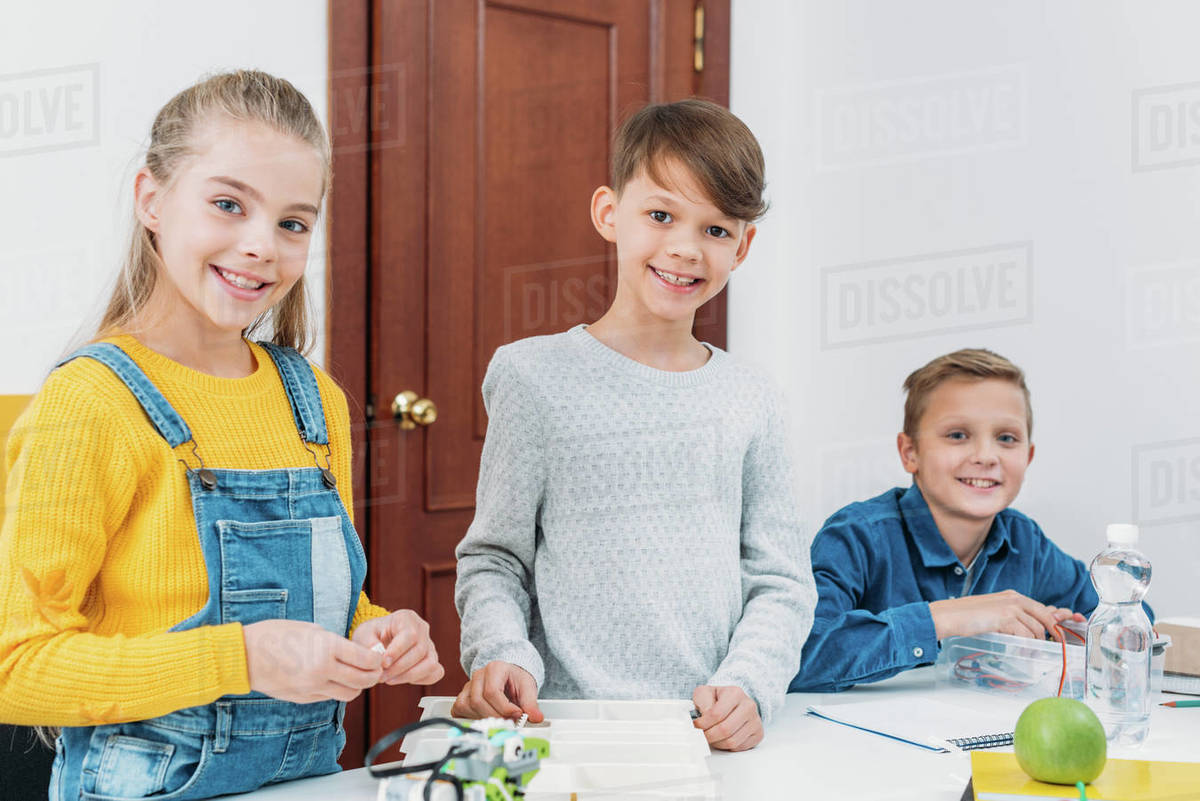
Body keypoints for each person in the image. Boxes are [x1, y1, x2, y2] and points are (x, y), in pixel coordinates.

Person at [0, 70, 442, 800]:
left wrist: (377, 629)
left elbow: (323, 601)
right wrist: (239, 657)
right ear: (152, 199)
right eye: (228, 204)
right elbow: (16, 667)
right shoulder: (90, 403)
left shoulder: (315, 401)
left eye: (293, 223)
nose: (261, 245)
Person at [451, 99, 816, 752]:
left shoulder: (752, 397)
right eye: (661, 214)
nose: (684, 247)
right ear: (608, 213)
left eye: (716, 229)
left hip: (706, 740)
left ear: (745, 245)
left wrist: (749, 684)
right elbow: (495, 558)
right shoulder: (531, 376)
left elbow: (782, 580)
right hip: (564, 733)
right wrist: (501, 651)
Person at [789, 348, 1127, 693]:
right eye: (957, 435)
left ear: (1028, 456)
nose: (985, 456)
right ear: (910, 453)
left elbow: (1129, 617)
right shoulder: (856, 536)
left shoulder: (1026, 542)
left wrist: (1072, 632)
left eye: (1006, 438)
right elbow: (797, 656)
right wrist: (945, 619)